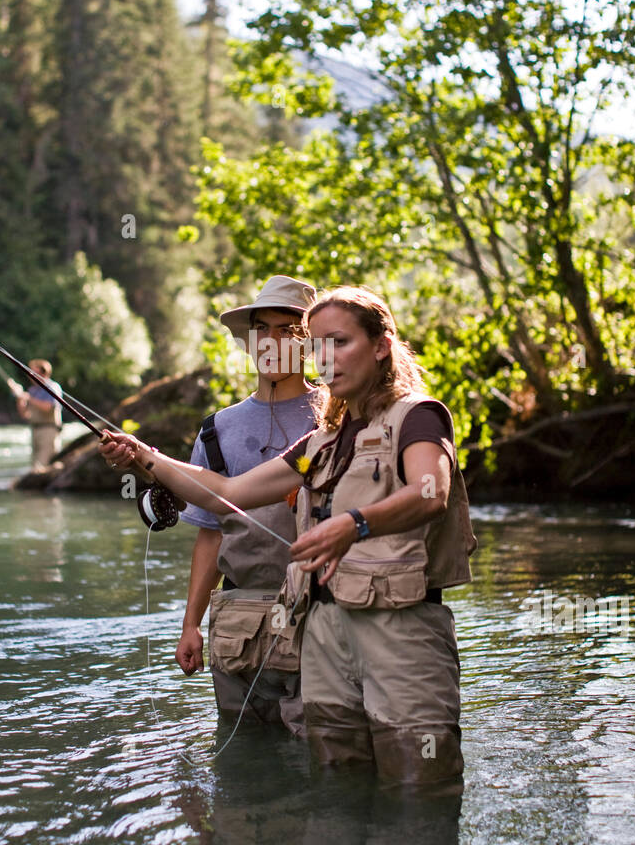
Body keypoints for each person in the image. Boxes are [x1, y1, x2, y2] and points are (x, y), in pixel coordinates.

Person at [100, 287, 476, 788]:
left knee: (417, 790)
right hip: (328, 640)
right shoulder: (319, 443)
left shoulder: (418, 416)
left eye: (339, 342)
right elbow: (228, 493)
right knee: (337, 789)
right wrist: (147, 457)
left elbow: (431, 493)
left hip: (402, 633)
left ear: (382, 346)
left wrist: (353, 524)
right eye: (319, 346)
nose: (326, 359)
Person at [176, 275, 319, 733]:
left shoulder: (340, 413)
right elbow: (211, 534)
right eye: (263, 329)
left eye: (288, 330)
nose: (273, 341)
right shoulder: (216, 430)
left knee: (319, 753)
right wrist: (191, 625)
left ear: (308, 343)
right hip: (238, 622)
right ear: (248, 341)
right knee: (243, 755)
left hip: (323, 614)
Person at [15, 359, 63, 469]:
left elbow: (48, 407)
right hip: (35, 431)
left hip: (48, 431)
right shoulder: (32, 390)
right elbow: (25, 414)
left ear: (43, 373)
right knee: (35, 467)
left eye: (33, 372)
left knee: (43, 467)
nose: (30, 375)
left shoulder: (53, 387)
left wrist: (29, 398)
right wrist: (19, 398)